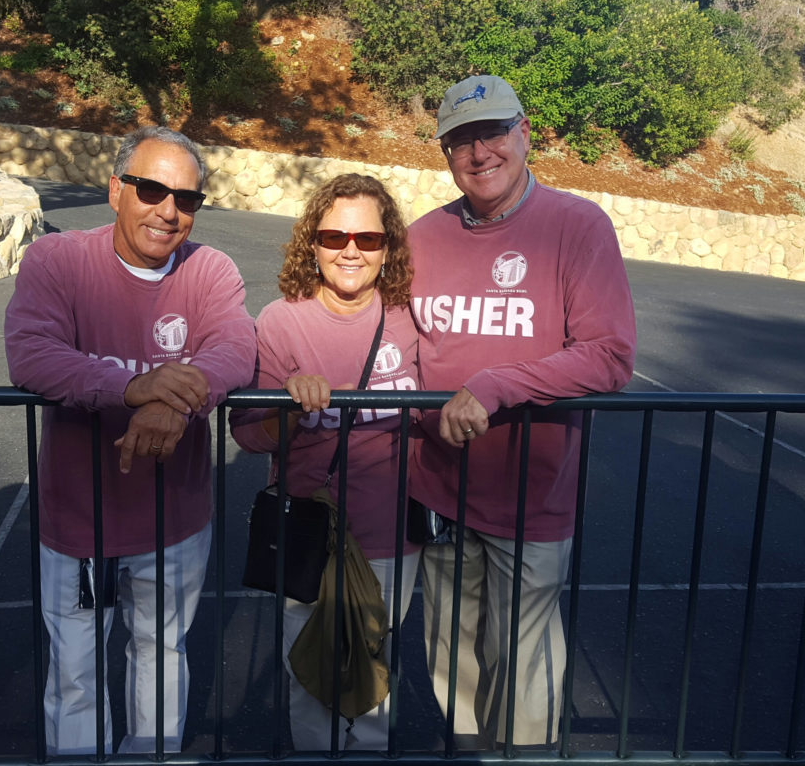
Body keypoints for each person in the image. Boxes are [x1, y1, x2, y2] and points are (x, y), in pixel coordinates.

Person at [4, 126, 255, 754]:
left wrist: (175, 396)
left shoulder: (212, 270)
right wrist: (132, 390)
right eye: (151, 189)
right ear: (116, 189)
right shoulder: (56, 260)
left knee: (163, 657)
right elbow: (32, 354)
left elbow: (235, 349)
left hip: (176, 522)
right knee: (76, 676)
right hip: (80, 521)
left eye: (187, 199)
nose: (168, 211)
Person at [408, 75, 637, 747]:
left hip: (529, 501)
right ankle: (466, 754)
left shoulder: (578, 225)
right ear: (445, 153)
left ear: (525, 132)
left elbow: (610, 356)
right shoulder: (422, 237)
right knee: (450, 659)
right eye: (460, 141)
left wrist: (496, 385)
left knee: (525, 668)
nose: (479, 154)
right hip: (439, 490)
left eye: (492, 134)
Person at [229, 173, 420, 750]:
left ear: (389, 246)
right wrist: (288, 406)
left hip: (392, 533)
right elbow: (249, 436)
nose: (351, 250)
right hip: (311, 534)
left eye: (368, 237)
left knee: (375, 672)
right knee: (310, 677)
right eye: (334, 235)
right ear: (312, 243)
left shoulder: (410, 315)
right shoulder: (282, 321)